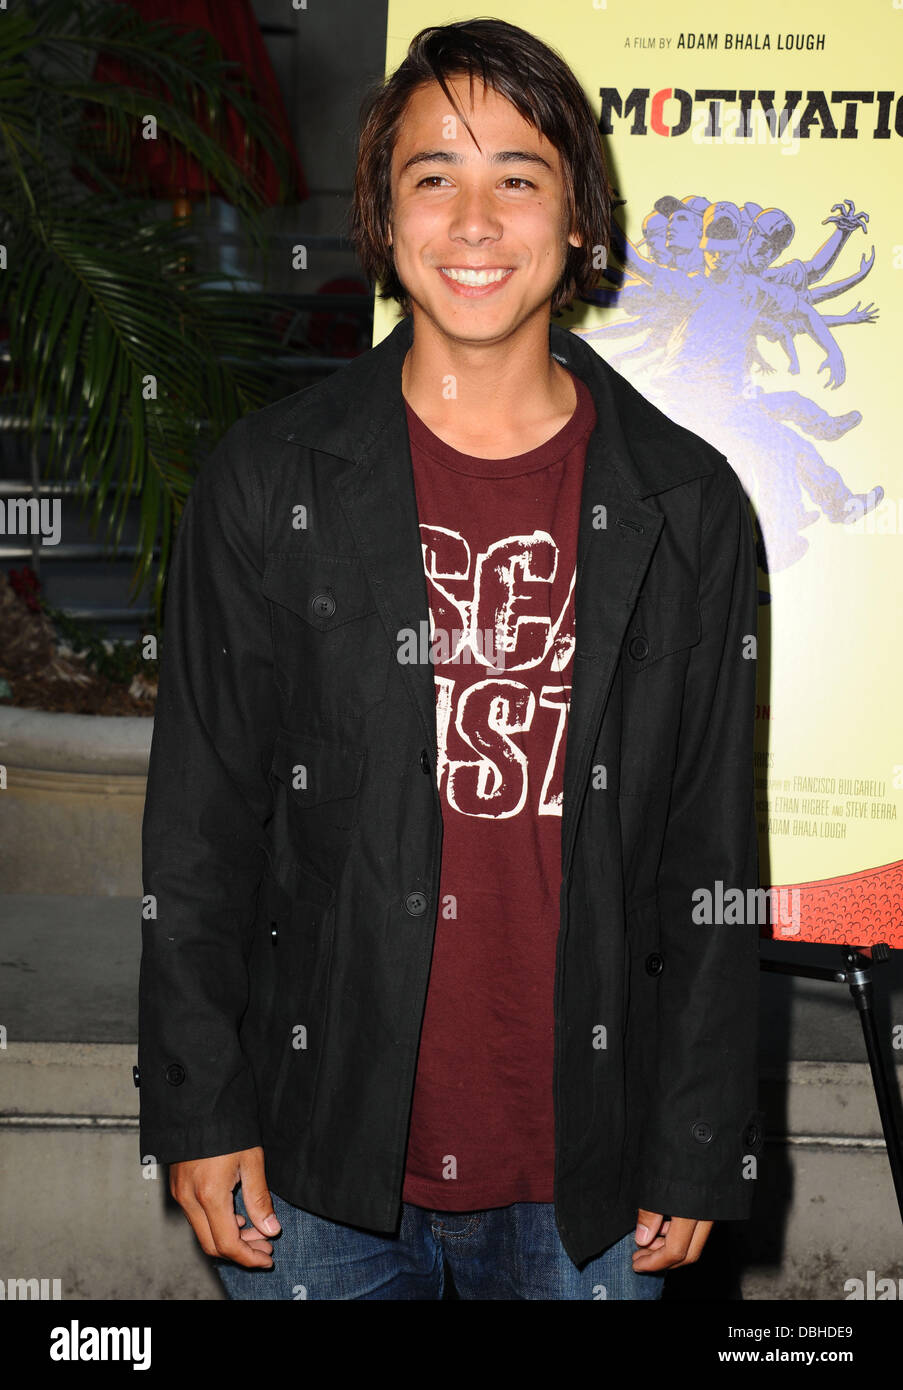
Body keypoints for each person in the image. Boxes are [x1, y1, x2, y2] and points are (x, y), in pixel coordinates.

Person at [137, 18, 764, 1301]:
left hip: (590, 1171)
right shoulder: (270, 485)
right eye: (435, 176)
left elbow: (712, 858)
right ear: (382, 211)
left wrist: (698, 1139)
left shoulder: (688, 506)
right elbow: (198, 830)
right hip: (318, 1163)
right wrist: (199, 1100)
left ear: (579, 216)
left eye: (518, 177)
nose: (475, 220)